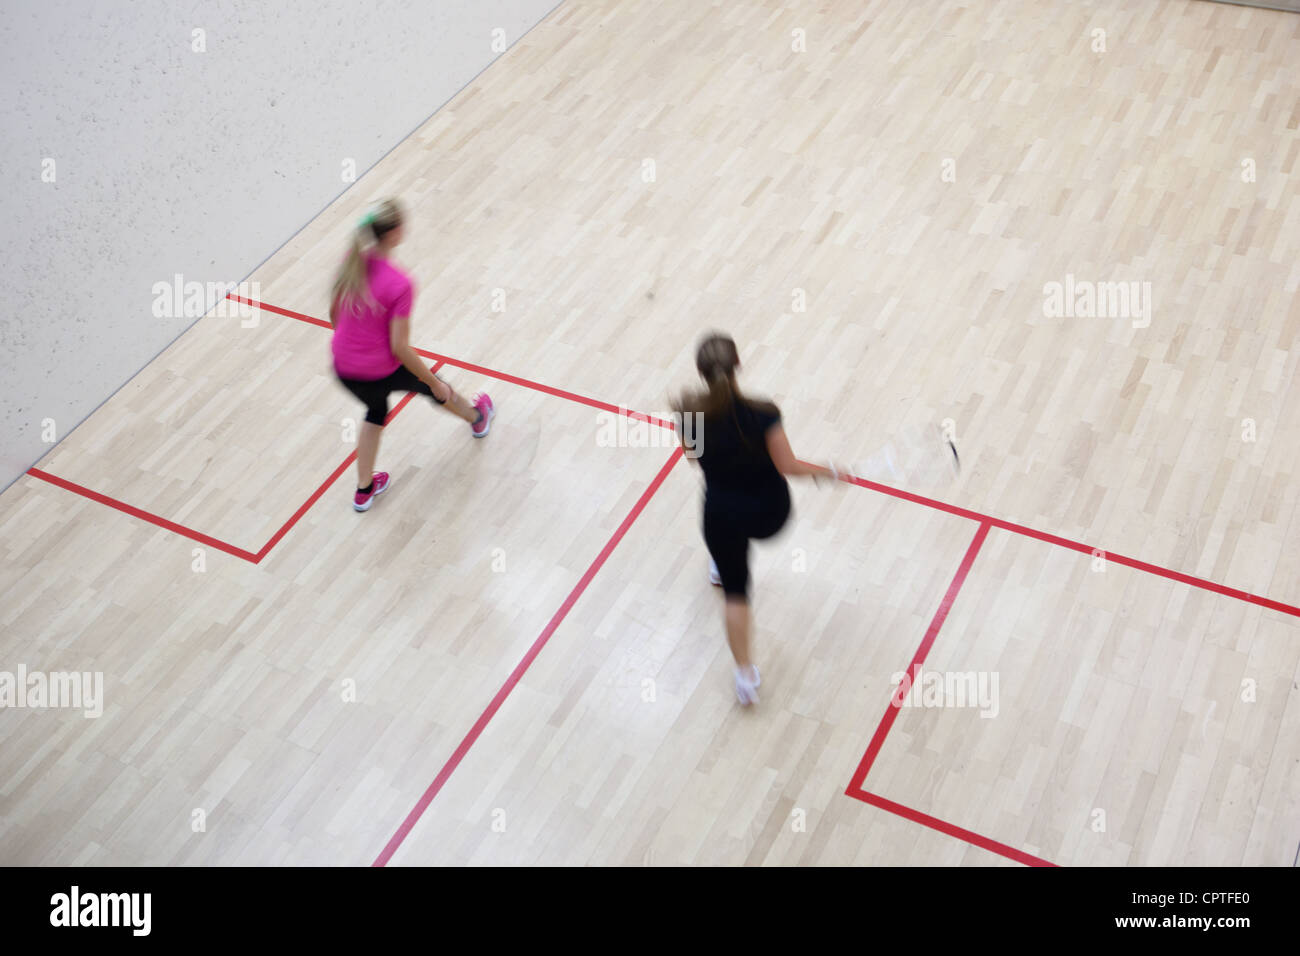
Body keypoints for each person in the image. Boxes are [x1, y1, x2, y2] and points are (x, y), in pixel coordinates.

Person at [673, 333, 839, 705]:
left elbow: (693, 459)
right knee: (736, 545)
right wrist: (827, 471)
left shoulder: (689, 414)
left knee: (735, 592)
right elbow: (789, 466)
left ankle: (745, 677)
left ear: (700, 373)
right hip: (768, 513)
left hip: (721, 515)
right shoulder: (764, 413)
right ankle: (723, 562)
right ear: (739, 366)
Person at [328, 199, 494, 511]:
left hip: (345, 369)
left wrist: (352, 345)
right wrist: (433, 383)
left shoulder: (350, 260)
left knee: (375, 412)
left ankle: (364, 490)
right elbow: (399, 348)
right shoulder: (400, 283)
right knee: (439, 389)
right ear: (393, 234)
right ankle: (477, 417)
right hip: (382, 368)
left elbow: (334, 313)